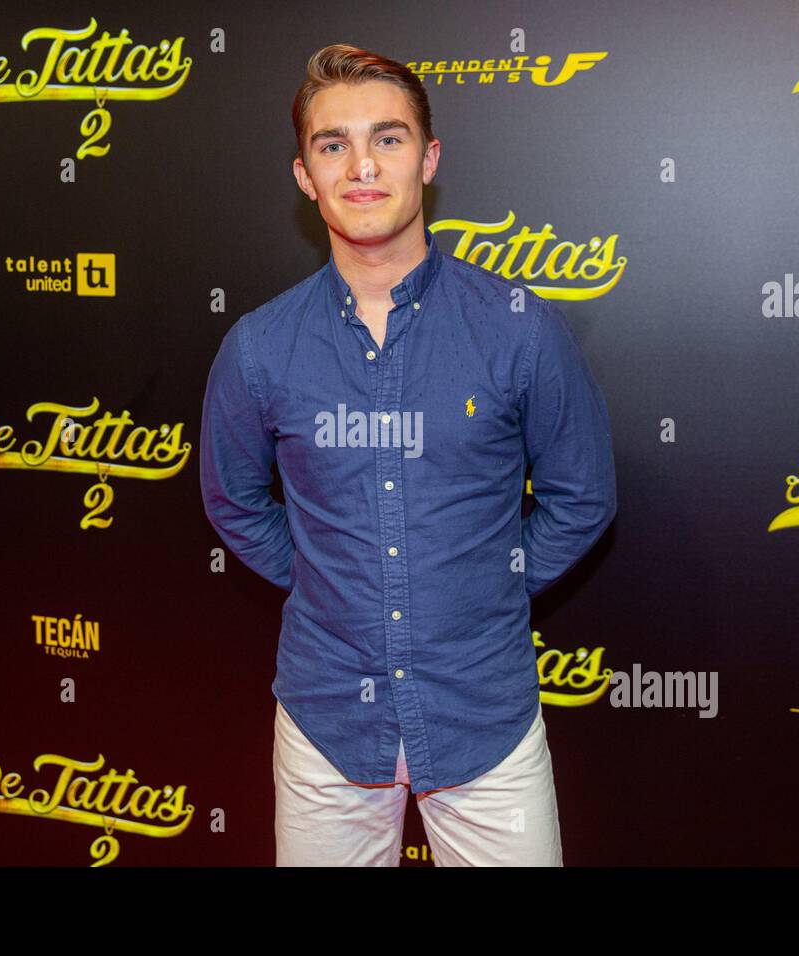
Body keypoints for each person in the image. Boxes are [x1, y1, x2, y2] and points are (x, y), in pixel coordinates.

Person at [199, 43, 617, 866]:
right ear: (304, 175)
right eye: (333, 144)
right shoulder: (260, 349)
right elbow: (234, 501)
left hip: (485, 723)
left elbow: (583, 498)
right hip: (327, 727)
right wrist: (326, 580)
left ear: (427, 160)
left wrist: (486, 587)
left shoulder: (518, 327)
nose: (361, 165)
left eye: (387, 139)